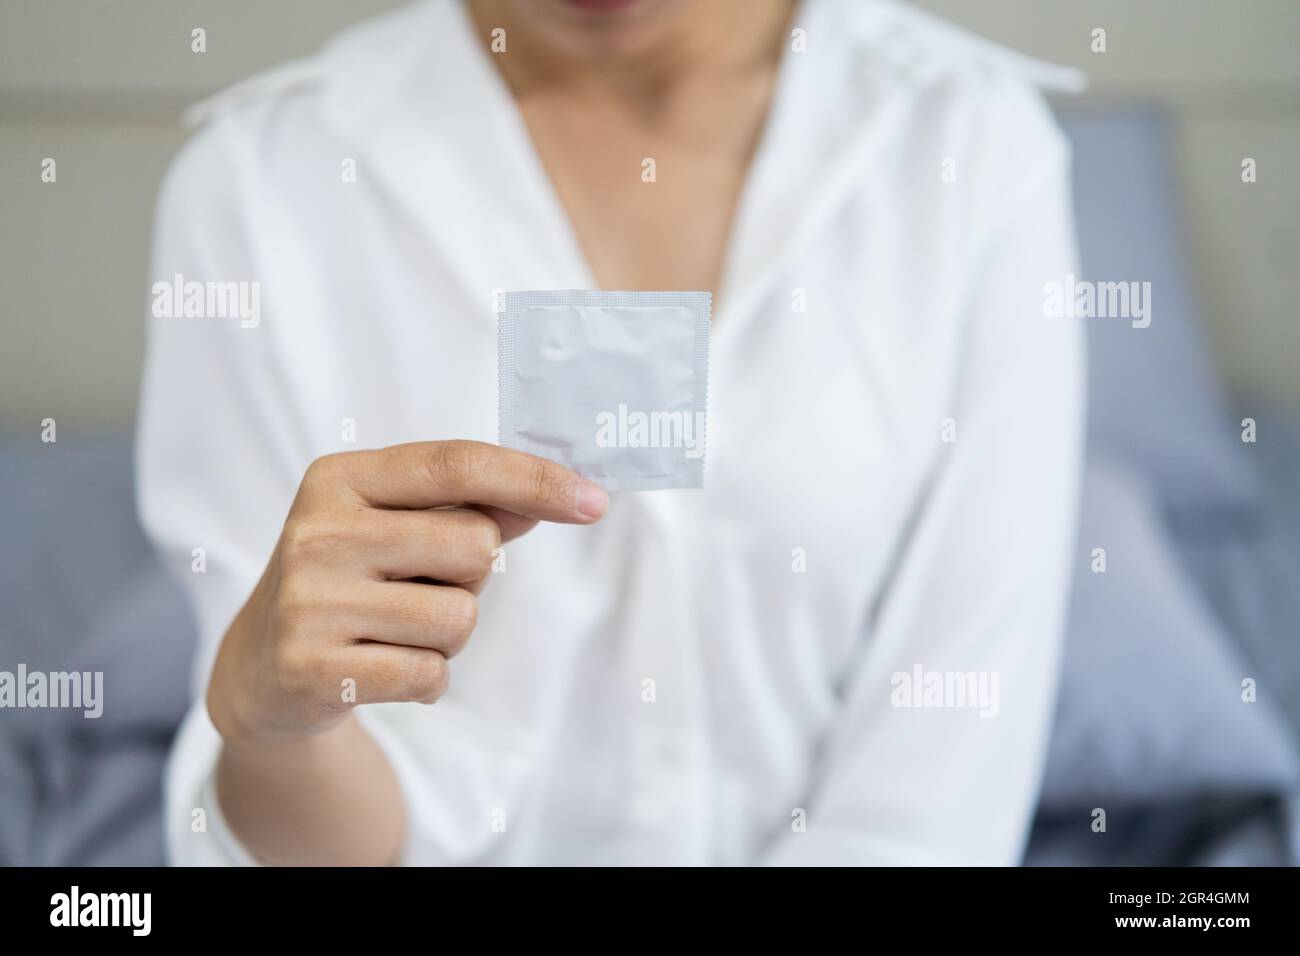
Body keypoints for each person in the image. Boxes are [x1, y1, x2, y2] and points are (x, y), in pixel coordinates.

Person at [139, 0, 1085, 866]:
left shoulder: (966, 144)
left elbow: (936, 794)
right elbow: (305, 822)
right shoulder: (261, 186)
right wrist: (271, 727)